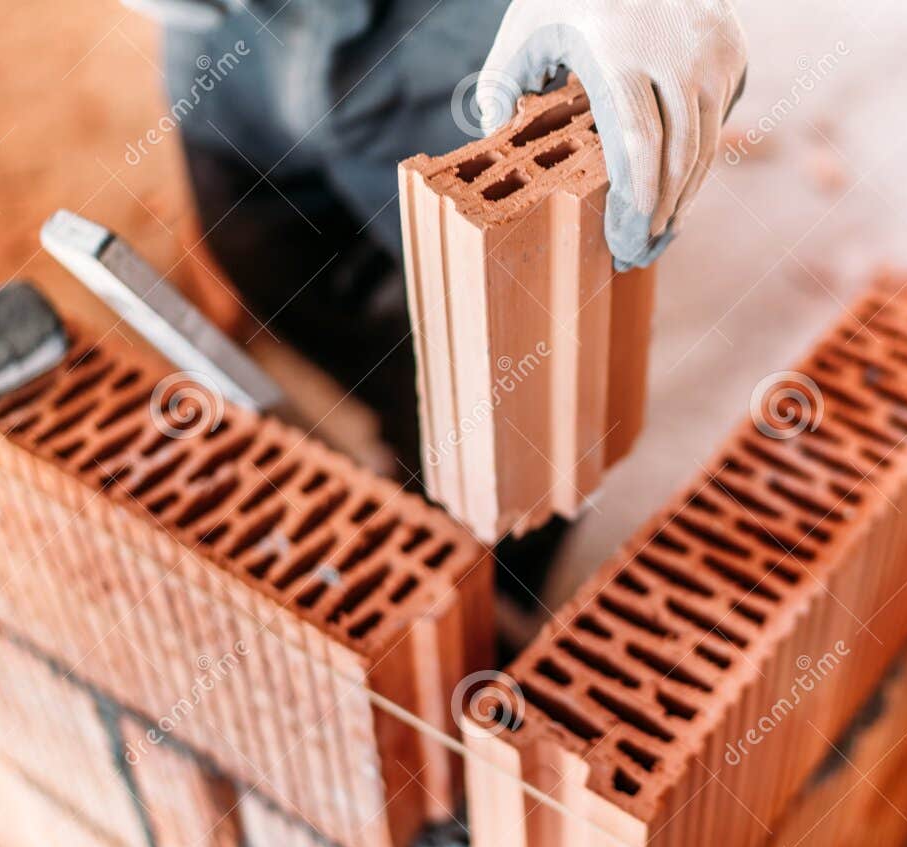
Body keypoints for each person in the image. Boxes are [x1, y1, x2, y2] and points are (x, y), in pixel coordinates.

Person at [127, 0, 748, 496]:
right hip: (237, 45)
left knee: (517, 369)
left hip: (464, 48)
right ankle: (414, 436)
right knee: (279, 267)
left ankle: (497, 530)